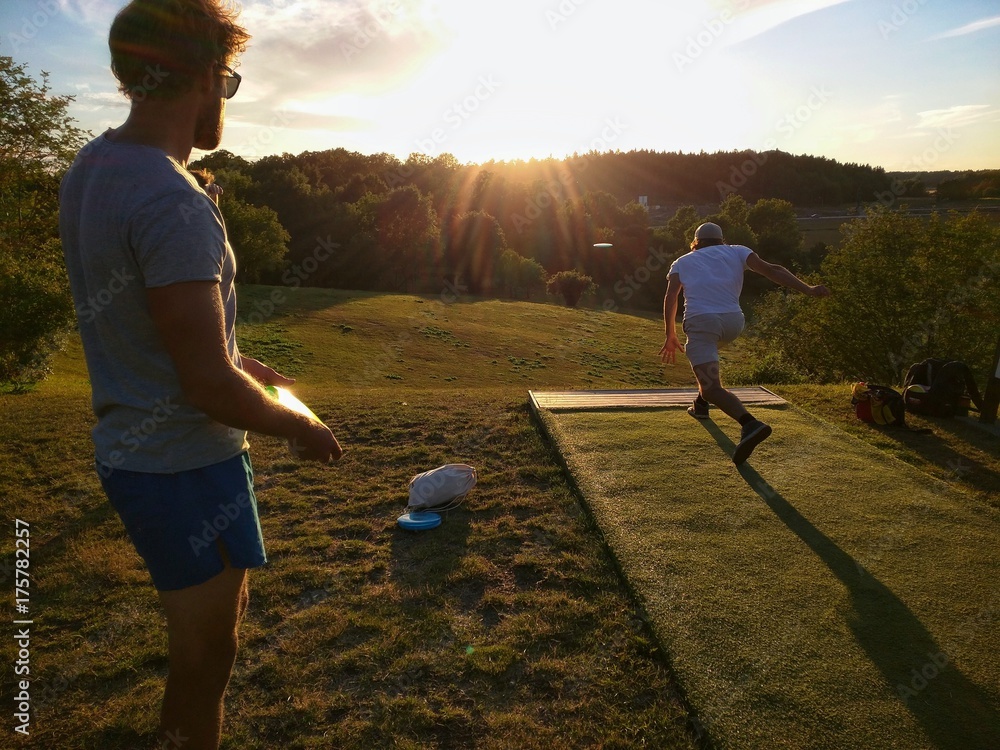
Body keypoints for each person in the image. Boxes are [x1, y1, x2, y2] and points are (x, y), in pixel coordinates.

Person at [58, 1, 342, 748]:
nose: (227, 96)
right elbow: (206, 387)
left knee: (211, 644)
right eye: (229, 78)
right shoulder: (170, 199)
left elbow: (159, 337)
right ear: (203, 77)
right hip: (183, 463)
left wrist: (241, 360)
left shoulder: (93, 167)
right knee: (204, 660)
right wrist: (303, 426)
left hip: (140, 451)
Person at [659, 222, 830, 464]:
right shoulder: (738, 251)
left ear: (695, 243)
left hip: (702, 323)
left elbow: (671, 296)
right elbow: (774, 270)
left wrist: (670, 334)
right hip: (733, 323)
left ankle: (750, 424)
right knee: (705, 369)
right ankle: (700, 405)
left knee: (711, 386)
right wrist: (809, 289)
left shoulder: (682, 262)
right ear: (722, 240)